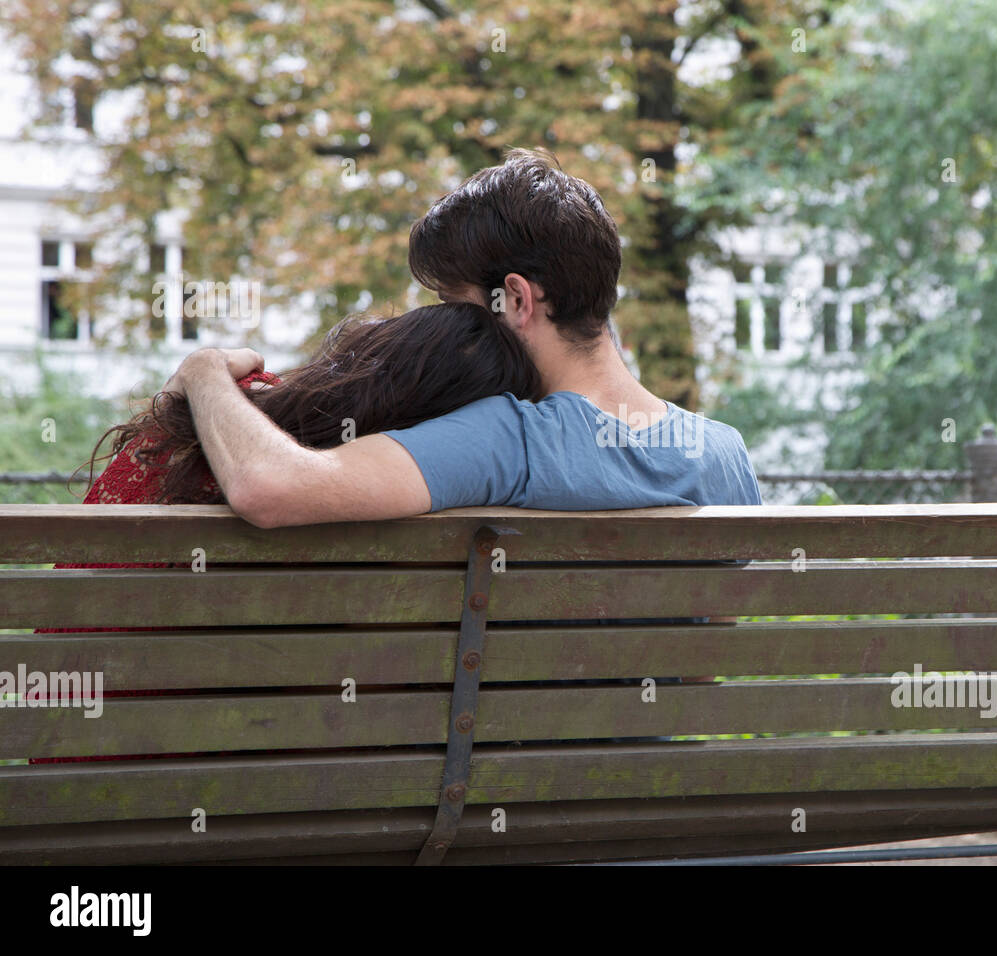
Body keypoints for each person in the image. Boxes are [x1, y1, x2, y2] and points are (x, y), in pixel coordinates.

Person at [30, 302, 541, 763]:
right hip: (288, 806)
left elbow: (117, 520)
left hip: (72, 770)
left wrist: (201, 372)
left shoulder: (237, 414)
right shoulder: (424, 514)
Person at [163, 147, 762, 526]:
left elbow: (268, 487)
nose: (447, 326)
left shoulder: (510, 442)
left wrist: (203, 371)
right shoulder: (723, 454)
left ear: (518, 300)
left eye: (456, 305)